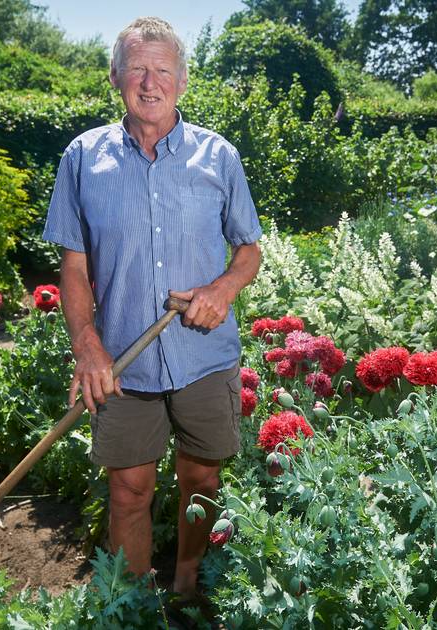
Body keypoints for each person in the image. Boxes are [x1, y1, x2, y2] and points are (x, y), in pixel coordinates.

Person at [41, 16, 262, 603]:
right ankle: (135, 604)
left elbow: (249, 251)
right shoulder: (83, 159)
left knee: (202, 480)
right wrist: (88, 347)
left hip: (202, 357)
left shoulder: (219, 156)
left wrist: (222, 291)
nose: (149, 82)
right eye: (137, 68)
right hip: (124, 362)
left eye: (163, 70)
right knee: (128, 491)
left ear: (182, 81)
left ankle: (191, 582)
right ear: (116, 76)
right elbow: (74, 267)